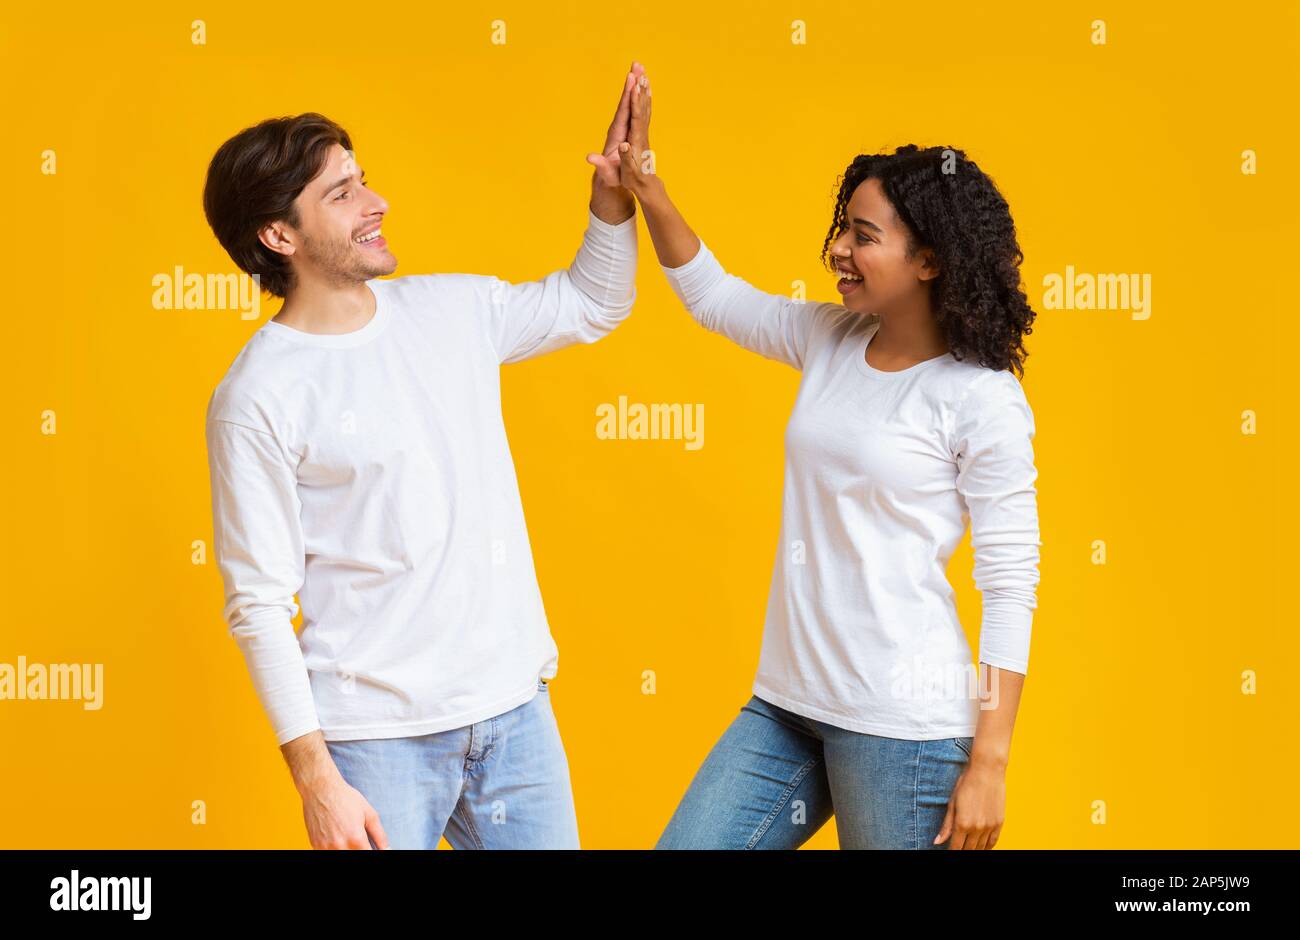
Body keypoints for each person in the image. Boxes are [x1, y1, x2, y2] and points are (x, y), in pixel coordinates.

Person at [201, 66, 642, 849]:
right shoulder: (257, 394)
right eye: (341, 194)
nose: (377, 205)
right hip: (375, 744)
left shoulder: (452, 310)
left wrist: (611, 198)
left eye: (364, 181)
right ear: (279, 235)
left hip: (516, 718)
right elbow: (259, 604)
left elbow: (593, 302)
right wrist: (318, 782)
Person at [610, 70, 1041, 850]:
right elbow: (715, 297)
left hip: (901, 729)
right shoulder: (830, 340)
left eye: (863, 236)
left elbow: (1010, 580)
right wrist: (647, 184)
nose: (838, 249)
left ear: (930, 261)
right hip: (788, 706)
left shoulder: (980, 398)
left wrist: (990, 762)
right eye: (843, 227)